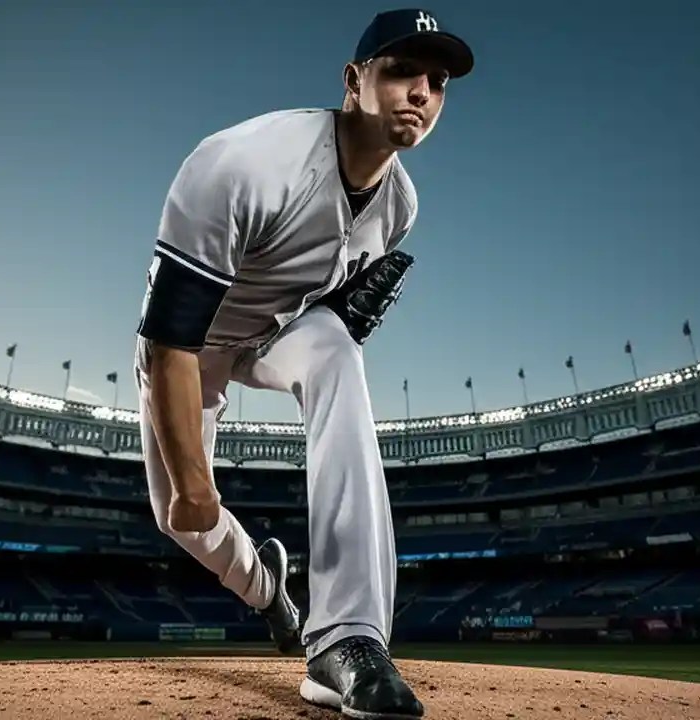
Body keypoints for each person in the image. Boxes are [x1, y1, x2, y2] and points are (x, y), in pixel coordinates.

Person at [133, 8, 473, 718]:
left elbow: (329, 304)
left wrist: (344, 315)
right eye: (403, 70)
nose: (423, 91)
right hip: (190, 347)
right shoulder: (243, 163)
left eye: (437, 80)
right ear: (354, 80)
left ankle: (347, 641)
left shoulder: (401, 204)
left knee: (337, 355)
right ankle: (272, 595)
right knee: (183, 516)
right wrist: (198, 481)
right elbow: (171, 341)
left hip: (279, 333)